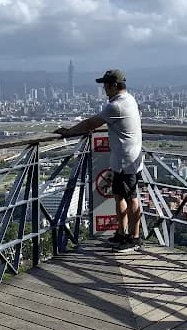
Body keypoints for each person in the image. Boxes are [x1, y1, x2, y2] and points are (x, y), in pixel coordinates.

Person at [54, 69, 143, 253]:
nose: (104, 88)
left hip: (126, 161)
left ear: (114, 85)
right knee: (120, 197)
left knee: (131, 198)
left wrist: (69, 132)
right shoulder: (129, 100)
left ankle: (134, 237)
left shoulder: (116, 106)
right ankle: (122, 233)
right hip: (127, 159)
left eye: (106, 85)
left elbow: (90, 123)